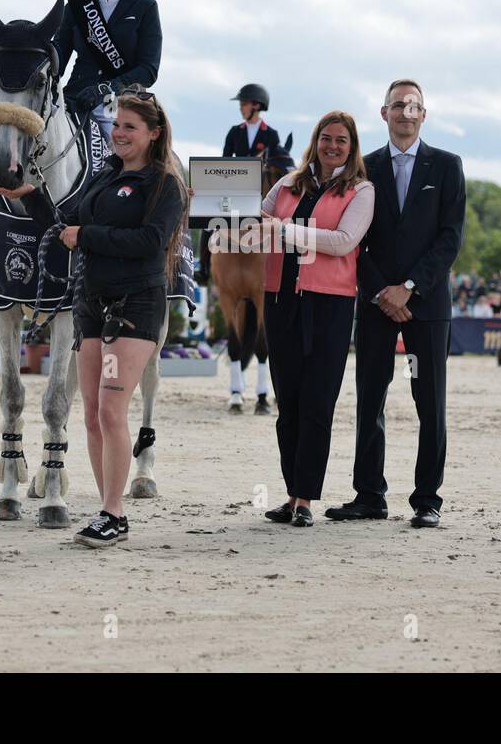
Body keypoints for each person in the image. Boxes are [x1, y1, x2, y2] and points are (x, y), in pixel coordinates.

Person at [326, 79, 465, 529]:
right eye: (397, 106)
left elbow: (450, 239)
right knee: (370, 397)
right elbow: (354, 242)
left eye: (414, 106)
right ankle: (369, 495)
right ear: (383, 114)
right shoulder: (361, 169)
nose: (405, 112)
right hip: (375, 302)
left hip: (426, 303)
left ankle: (427, 499)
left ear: (424, 115)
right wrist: (381, 291)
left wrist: (409, 287)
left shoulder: (447, 166)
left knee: (431, 402)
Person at [57, 89, 186, 548]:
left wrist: (87, 236)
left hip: (134, 306)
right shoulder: (104, 176)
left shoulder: (165, 184)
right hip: (91, 302)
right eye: (116, 125)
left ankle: (115, 513)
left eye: (130, 126)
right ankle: (106, 508)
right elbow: (65, 220)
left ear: (153, 134)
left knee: (112, 409)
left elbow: (150, 241)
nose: (119, 133)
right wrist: (29, 196)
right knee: (91, 413)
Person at [257, 111, 373, 527]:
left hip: (329, 305)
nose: (332, 146)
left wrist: (286, 230)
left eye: (341, 140)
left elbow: (343, 243)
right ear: (316, 140)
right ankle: (291, 495)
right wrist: (216, 205)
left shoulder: (361, 190)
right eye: (326, 138)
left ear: (351, 146)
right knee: (287, 404)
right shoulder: (287, 184)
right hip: (280, 299)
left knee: (317, 403)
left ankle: (306, 498)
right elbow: (257, 221)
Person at [51, 0, 162, 145]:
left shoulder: (145, 7)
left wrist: (107, 87)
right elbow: (57, 64)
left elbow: (148, 70)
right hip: (78, 101)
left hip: (122, 104)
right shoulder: (75, 8)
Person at [195, 83, 281, 285]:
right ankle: (204, 267)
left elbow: (275, 164)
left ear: (256, 105)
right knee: (210, 222)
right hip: (236, 187)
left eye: (243, 104)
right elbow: (225, 160)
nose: (241, 108)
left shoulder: (271, 135)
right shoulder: (234, 132)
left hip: (262, 191)